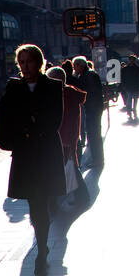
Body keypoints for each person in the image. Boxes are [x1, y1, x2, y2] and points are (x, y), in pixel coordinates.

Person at [0, 44, 65, 276]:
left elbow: (53, 121)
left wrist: (27, 121)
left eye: (30, 61)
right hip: (26, 155)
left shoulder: (54, 87)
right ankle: (42, 246)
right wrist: (30, 122)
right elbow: (5, 117)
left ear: (39, 62)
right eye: (21, 62)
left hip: (46, 155)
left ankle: (42, 249)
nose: (25, 66)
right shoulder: (13, 88)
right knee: (35, 204)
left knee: (42, 202)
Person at [46, 65, 88, 211]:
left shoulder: (64, 95)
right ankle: (79, 198)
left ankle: (52, 204)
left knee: (59, 170)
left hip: (62, 140)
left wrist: (68, 141)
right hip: (64, 139)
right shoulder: (67, 93)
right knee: (66, 169)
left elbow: (66, 120)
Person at [72, 56, 104, 171]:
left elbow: (89, 92)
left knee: (93, 134)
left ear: (80, 65)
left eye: (75, 66)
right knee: (93, 134)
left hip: (93, 109)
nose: (74, 69)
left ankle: (97, 160)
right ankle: (97, 159)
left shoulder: (88, 76)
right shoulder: (89, 74)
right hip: (94, 108)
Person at [120, 53, 139, 122]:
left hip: (134, 86)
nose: (131, 61)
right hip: (129, 86)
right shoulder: (126, 69)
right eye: (131, 60)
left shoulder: (137, 69)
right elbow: (123, 78)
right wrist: (123, 85)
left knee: (134, 99)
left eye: (132, 60)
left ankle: (133, 110)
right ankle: (130, 111)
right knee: (130, 99)